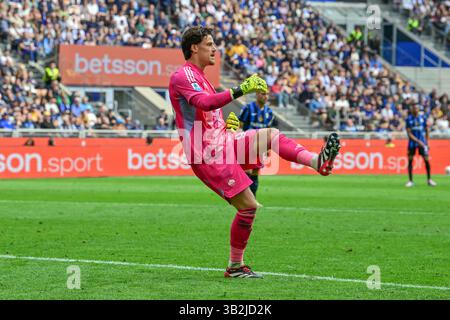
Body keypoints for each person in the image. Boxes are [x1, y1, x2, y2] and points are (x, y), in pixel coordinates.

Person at [168, 26, 341, 278]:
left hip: (222, 142)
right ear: (194, 47)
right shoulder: (183, 75)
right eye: (210, 44)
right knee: (248, 206)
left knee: (270, 135)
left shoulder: (201, 77)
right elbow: (204, 103)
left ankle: (318, 162)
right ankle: (235, 267)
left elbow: (207, 112)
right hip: (207, 154)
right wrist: (241, 89)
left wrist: (225, 125)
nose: (215, 48)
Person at [237, 90, 276, 203]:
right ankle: (245, 199)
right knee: (247, 172)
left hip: (261, 145)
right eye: (263, 94)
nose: (265, 96)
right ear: (257, 95)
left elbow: (269, 131)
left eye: (267, 94)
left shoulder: (269, 112)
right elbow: (240, 126)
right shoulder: (248, 108)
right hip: (247, 144)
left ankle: (252, 198)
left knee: (255, 172)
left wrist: (268, 147)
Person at [405, 102, 437, 187]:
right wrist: (418, 141)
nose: (415, 110)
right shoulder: (408, 119)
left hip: (423, 142)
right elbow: (409, 133)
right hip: (412, 143)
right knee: (410, 161)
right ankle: (410, 181)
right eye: (413, 108)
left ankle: (429, 180)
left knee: (426, 160)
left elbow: (426, 130)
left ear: (418, 109)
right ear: (412, 109)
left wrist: (427, 142)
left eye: (416, 108)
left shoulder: (423, 118)